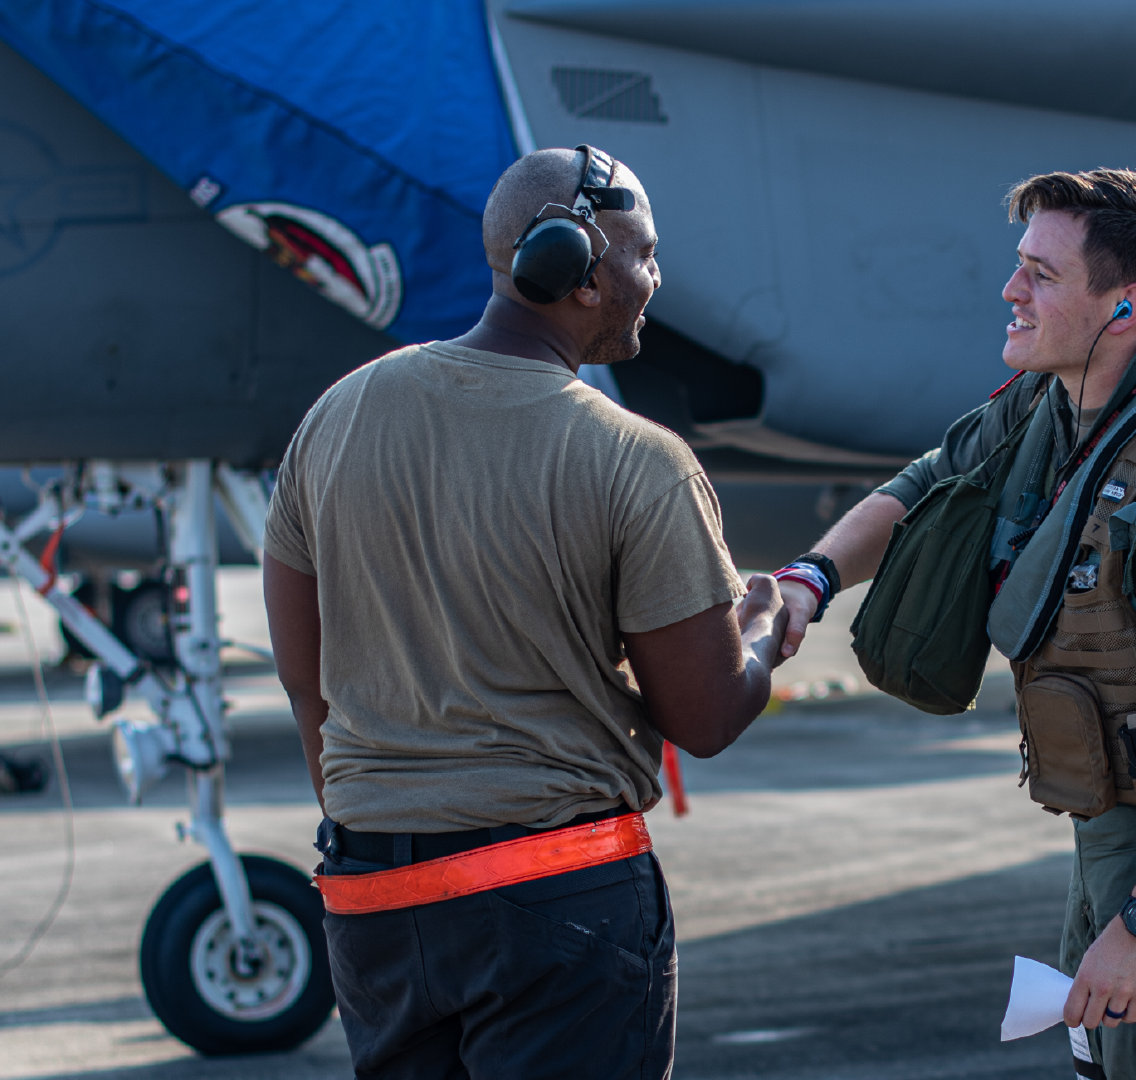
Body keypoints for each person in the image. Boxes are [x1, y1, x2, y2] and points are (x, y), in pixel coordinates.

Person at [776, 169, 1136, 1080]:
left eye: (1041, 273)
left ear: (1124, 308)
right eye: (1019, 265)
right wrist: (809, 580)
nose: (1011, 290)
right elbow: (931, 480)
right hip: (1116, 821)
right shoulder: (1051, 402)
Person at [262, 146, 787, 1080]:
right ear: (576, 268)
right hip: (558, 901)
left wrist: (379, 824)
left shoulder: (335, 416)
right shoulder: (636, 459)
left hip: (374, 900)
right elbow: (704, 719)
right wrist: (763, 634)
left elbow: (306, 678)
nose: (655, 279)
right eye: (645, 254)